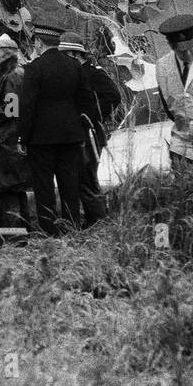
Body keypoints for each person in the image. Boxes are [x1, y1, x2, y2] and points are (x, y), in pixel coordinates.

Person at [18, 29, 94, 235]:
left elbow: (27, 105)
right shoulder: (75, 66)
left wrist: (21, 137)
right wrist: (79, 128)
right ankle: (72, 228)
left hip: (40, 138)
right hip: (70, 135)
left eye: (35, 42)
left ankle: (48, 231)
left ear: (40, 43)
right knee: (70, 184)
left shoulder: (34, 68)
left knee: (44, 187)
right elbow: (85, 100)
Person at [59, 32, 121, 225]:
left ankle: (98, 220)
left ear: (74, 54)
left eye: (64, 54)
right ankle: (92, 218)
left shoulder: (92, 72)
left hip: (91, 133)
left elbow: (113, 96)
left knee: (87, 176)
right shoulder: (77, 72)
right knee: (80, 176)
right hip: (80, 132)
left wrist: (90, 117)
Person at [0, 33, 32, 224]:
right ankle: (23, 230)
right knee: (16, 189)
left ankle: (12, 235)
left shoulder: (12, 76)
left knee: (8, 188)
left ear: (8, 54)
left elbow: (11, 109)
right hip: (12, 140)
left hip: (7, 141)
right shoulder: (15, 73)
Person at [155, 13, 193, 174]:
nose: (186, 55)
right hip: (182, 149)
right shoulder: (163, 65)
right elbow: (168, 105)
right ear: (170, 45)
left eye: (189, 49)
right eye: (181, 52)